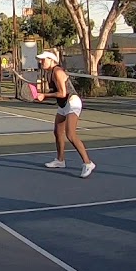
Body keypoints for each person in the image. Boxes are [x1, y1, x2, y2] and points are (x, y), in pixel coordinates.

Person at [34, 50, 95, 178]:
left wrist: (44, 95)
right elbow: (57, 93)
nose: (41, 62)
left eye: (44, 59)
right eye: (40, 60)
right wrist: (42, 95)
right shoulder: (49, 73)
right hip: (63, 105)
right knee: (57, 132)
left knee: (70, 135)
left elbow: (62, 93)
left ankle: (88, 163)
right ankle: (60, 160)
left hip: (72, 102)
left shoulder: (57, 72)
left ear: (52, 60)